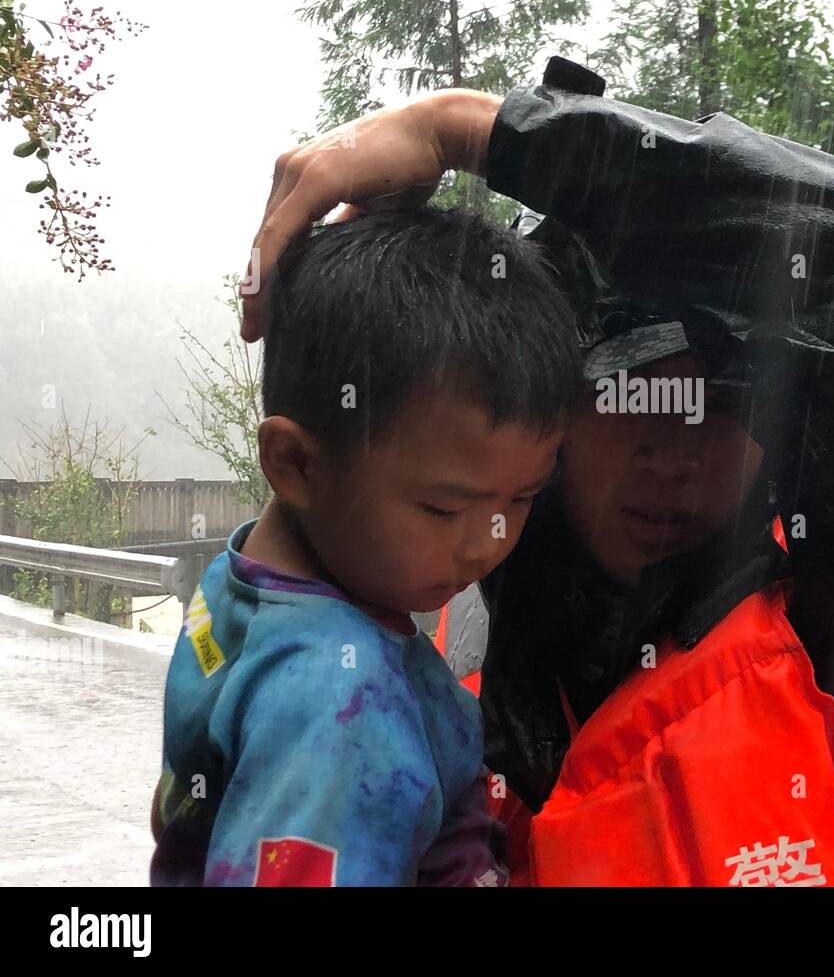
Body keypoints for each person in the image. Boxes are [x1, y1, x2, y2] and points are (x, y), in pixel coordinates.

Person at [241, 57, 834, 887]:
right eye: (629, 389)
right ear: (552, 416)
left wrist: (468, 131)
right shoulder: (447, 614)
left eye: (727, 400)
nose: (677, 451)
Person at [150, 205, 582, 886]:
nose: (487, 544)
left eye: (522, 498)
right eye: (445, 507)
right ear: (295, 464)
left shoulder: (244, 583)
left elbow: (178, 805)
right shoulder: (338, 706)